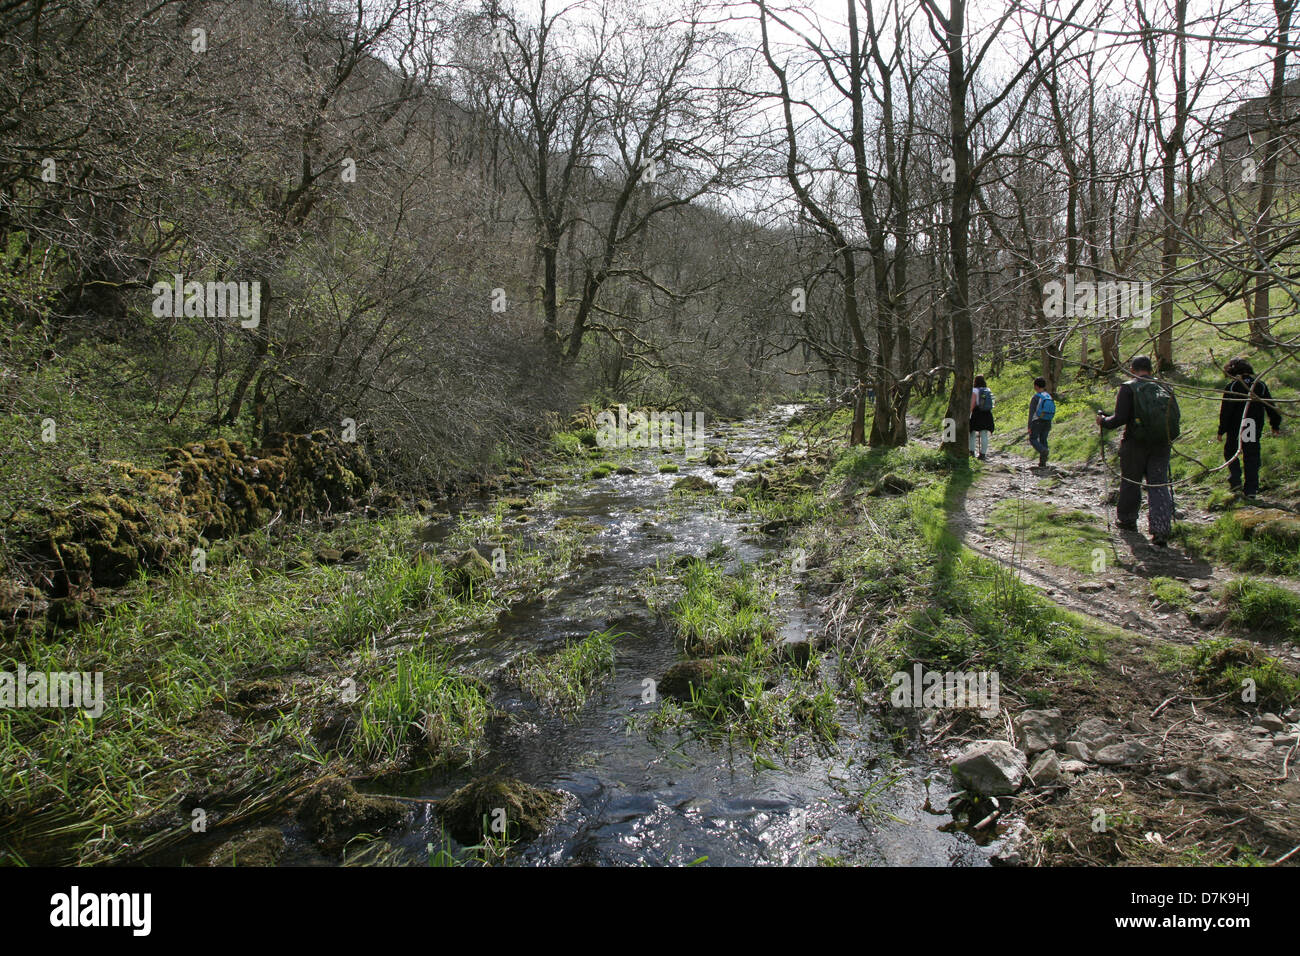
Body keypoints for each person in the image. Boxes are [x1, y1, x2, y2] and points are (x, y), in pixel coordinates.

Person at [1096, 355, 1179, 546]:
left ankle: (1127, 520)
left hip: (1135, 443)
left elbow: (1119, 419)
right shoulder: (1165, 387)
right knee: (1158, 484)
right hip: (1161, 443)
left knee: (1131, 481)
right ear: (1151, 369)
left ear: (1132, 370)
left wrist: (1103, 421)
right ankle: (1161, 529)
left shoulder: (1129, 388)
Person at [1217, 357, 1282, 499]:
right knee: (1251, 455)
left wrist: (1222, 430)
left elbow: (1226, 411)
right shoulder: (1259, 385)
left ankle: (1235, 481)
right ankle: (1251, 489)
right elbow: (1271, 406)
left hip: (1235, 427)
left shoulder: (1233, 386)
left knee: (1231, 452)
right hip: (1251, 426)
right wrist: (1275, 424)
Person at [1027, 377, 1055, 469]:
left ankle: (1043, 450)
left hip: (1037, 421)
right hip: (1048, 421)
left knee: (1033, 439)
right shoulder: (1048, 396)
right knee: (1043, 439)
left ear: (1036, 386)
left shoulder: (1036, 397)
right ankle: (1043, 462)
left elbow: (1031, 412)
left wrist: (1029, 425)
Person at [969, 375, 995, 459]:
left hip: (977, 413)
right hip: (987, 413)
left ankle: (971, 452)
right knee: (984, 434)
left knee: (972, 432)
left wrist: (969, 412)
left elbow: (972, 404)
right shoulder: (987, 390)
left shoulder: (974, 390)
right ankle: (983, 454)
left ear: (975, 382)